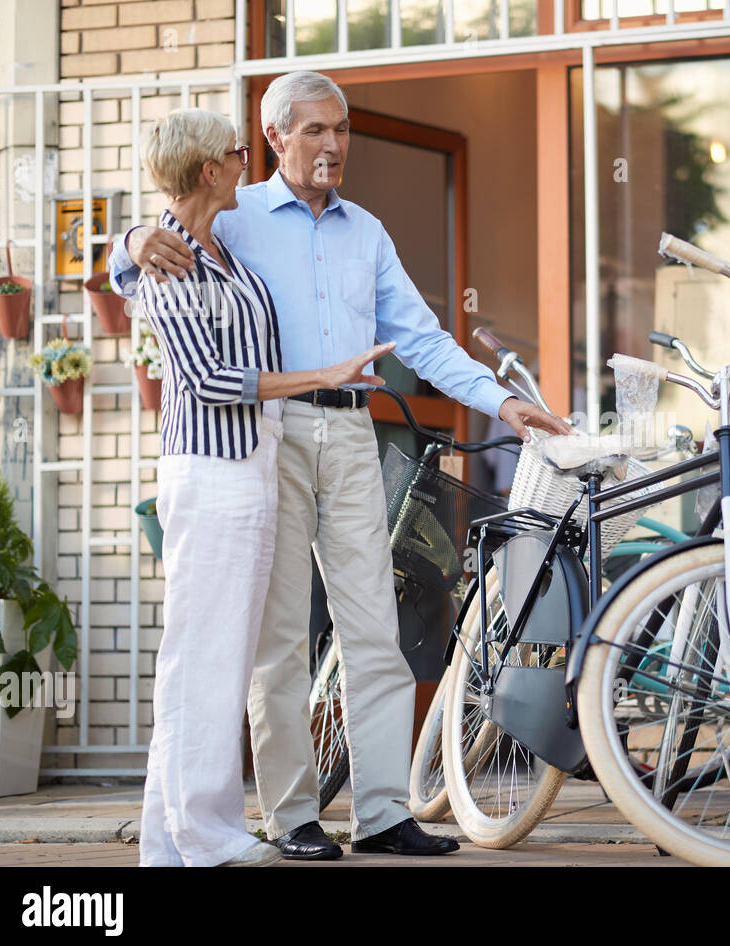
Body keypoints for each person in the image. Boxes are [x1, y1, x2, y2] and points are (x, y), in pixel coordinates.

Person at [111, 72, 569, 860]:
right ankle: (291, 817)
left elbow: (422, 340)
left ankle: (385, 812)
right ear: (275, 138)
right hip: (268, 436)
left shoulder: (367, 232)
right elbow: (150, 262)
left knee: (374, 629)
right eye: (315, 131)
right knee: (282, 637)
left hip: (355, 440)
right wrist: (121, 245)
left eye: (342, 130)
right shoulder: (237, 211)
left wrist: (501, 401)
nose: (333, 145)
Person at [135, 108, 394, 867]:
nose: (245, 156)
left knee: (215, 657)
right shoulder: (170, 260)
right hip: (209, 473)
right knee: (203, 661)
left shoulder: (223, 246)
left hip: (251, 473)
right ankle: (205, 834)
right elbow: (212, 380)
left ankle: (171, 841)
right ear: (208, 169)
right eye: (234, 150)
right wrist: (325, 374)